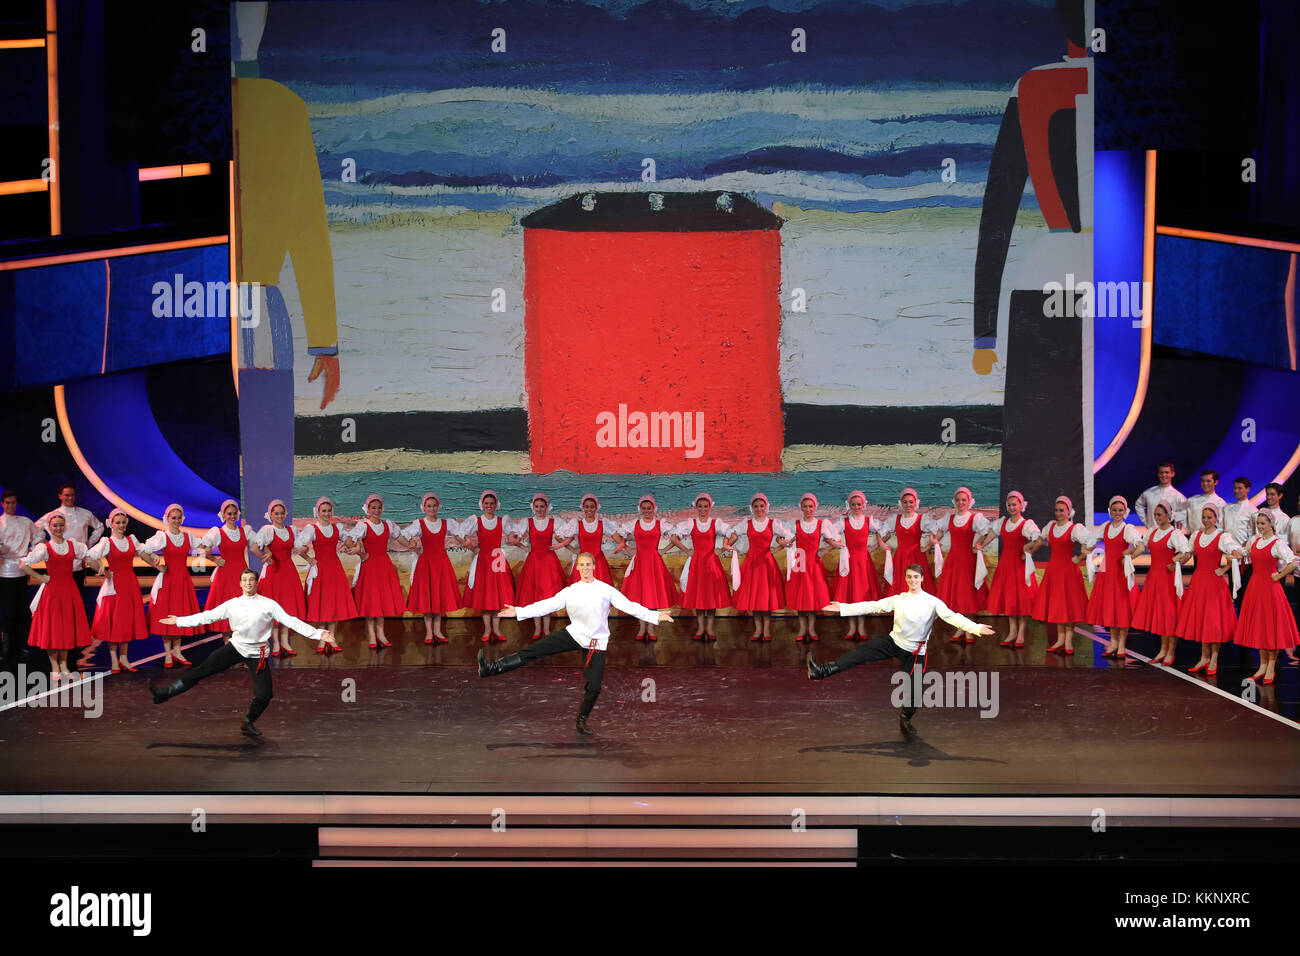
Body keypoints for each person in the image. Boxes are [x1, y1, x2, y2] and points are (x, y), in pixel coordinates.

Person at [477, 552, 672, 734]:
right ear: (577, 568)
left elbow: (629, 606)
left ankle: (581, 719)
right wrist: (518, 611)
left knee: (594, 687)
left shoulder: (605, 590)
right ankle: (492, 668)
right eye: (581, 565)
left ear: (594, 567)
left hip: (596, 642)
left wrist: (655, 615)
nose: (585, 568)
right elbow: (546, 605)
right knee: (532, 651)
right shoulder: (570, 591)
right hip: (574, 634)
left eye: (588, 564)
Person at [808, 564, 995, 735]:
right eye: (909, 577)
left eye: (915, 577)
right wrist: (844, 608)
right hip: (893, 642)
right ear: (905, 579)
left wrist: (976, 628)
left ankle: (905, 718)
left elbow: (954, 617)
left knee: (915, 693)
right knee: (859, 654)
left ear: (922, 578)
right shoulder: (899, 599)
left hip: (914, 652)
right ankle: (821, 672)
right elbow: (873, 605)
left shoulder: (933, 602)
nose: (912, 580)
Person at [150, 569, 339, 737]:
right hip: (236, 647)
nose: (248, 583)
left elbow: (291, 621)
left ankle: (248, 722)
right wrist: (179, 621)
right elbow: (207, 616)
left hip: (259, 654)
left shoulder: (268, 604)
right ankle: (165, 693)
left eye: (251, 580)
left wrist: (318, 633)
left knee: (265, 695)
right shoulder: (233, 604)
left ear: (256, 583)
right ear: (240, 583)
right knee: (199, 672)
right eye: (245, 580)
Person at [19, 514, 104, 680]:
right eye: (55, 526)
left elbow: (88, 557)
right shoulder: (45, 548)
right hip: (52, 592)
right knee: (53, 629)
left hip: (69, 590)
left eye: (60, 525)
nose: (58, 528)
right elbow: (24, 564)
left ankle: (64, 665)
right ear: (50, 528)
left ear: (64, 526)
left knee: (66, 629)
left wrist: (100, 566)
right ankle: (54, 667)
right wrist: (40, 577)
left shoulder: (72, 545)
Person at [86, 508, 159, 673]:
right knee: (114, 622)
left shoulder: (132, 540)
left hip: (130, 585)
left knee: (125, 622)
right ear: (111, 524)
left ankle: (124, 659)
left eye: (123, 522)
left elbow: (144, 553)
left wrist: (156, 564)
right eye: (117, 522)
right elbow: (89, 556)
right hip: (114, 585)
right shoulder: (107, 542)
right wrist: (103, 571)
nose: (121, 525)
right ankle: (114, 660)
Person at [1174, 502, 1239, 675]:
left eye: (1209, 517)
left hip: (1214, 583)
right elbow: (1189, 553)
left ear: (1216, 518)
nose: (1206, 520)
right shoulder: (1197, 534)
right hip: (1199, 582)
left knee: (1213, 622)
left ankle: (1214, 659)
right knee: (1203, 620)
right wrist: (1180, 560)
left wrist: (1224, 569)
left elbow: (1234, 555)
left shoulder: (1222, 537)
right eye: (1203, 517)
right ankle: (1204, 657)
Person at [1028, 495, 1093, 654]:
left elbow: (1090, 542)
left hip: (1069, 572)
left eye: (1062, 510)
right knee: (1058, 606)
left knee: (1068, 606)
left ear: (1068, 511)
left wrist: (1080, 557)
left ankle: (1068, 642)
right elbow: (1040, 540)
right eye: (1056, 510)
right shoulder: (1050, 527)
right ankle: (1060, 640)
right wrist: (1029, 551)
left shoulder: (1074, 528)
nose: (1058, 513)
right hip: (1054, 571)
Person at [1130, 501, 1192, 667]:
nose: (1156, 518)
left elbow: (1186, 553)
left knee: (1170, 615)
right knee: (1161, 614)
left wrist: (1177, 561)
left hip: (1168, 578)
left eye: (1159, 515)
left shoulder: (1175, 534)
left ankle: (1170, 650)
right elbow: (1141, 546)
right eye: (1155, 515)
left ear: (1168, 516)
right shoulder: (1152, 532)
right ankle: (1163, 649)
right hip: (1154, 577)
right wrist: (1130, 556)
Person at [142, 504, 204, 668]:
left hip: (183, 580)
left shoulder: (188, 536)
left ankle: (177, 651)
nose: (176, 521)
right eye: (173, 518)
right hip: (168, 580)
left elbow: (204, 547)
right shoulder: (163, 537)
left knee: (180, 614)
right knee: (167, 614)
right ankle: (168, 653)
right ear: (167, 519)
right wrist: (156, 564)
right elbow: (143, 550)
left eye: (178, 518)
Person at [342, 493, 406, 649]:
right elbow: (349, 541)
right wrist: (361, 553)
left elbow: (400, 537)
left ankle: (381, 634)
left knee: (381, 601)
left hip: (384, 565)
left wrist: (411, 545)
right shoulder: (364, 525)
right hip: (370, 566)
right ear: (368, 509)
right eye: (373, 508)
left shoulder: (387, 525)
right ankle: (371, 635)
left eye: (379, 508)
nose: (376, 511)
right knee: (371, 602)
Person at [977, 490, 1040, 648]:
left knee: (1022, 600)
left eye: (1015, 504)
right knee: (1010, 600)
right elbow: (991, 534)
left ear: (1021, 505)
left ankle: (1021, 633)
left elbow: (1038, 539)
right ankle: (1012, 631)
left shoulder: (1026, 524)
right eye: (1010, 505)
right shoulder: (1002, 523)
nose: (1012, 507)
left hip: (1019, 565)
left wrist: (1029, 549)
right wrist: (981, 545)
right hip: (1006, 565)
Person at [296, 496, 359, 652]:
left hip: (334, 569)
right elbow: (299, 545)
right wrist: (309, 559)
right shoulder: (313, 528)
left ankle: (332, 639)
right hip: (321, 569)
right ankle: (322, 640)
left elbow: (349, 540)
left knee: (332, 605)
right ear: (318, 512)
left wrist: (353, 548)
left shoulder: (336, 528)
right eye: (323, 511)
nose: (326, 513)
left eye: (329, 510)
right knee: (322, 605)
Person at [615, 494, 680, 641]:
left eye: (649, 508)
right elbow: (619, 534)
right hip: (640, 563)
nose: (646, 511)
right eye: (644, 508)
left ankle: (650, 628)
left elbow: (675, 535)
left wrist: (664, 550)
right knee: (640, 597)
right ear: (640, 509)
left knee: (653, 597)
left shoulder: (660, 523)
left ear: (654, 508)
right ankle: (642, 627)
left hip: (654, 564)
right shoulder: (634, 524)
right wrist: (627, 547)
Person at [1084, 496, 1142, 659]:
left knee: (1122, 609)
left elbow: (1140, 545)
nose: (1117, 513)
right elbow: (1091, 541)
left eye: (1120, 510)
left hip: (1121, 573)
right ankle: (1113, 642)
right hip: (1107, 572)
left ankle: (1122, 644)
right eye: (1114, 510)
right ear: (1110, 511)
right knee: (1111, 608)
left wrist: (1130, 556)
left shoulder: (1128, 528)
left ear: (1125, 511)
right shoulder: (1105, 527)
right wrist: (1086, 548)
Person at [669, 492, 733, 641]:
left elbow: (732, 534)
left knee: (710, 597)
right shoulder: (691, 523)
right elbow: (674, 536)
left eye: (705, 506)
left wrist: (722, 549)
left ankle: (710, 629)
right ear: (696, 507)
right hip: (697, 563)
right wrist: (687, 551)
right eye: (700, 506)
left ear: (710, 507)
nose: (703, 509)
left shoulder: (716, 523)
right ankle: (700, 628)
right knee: (699, 597)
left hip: (711, 564)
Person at [399, 493, 461, 644]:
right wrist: (411, 546)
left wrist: (468, 543)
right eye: (429, 506)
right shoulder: (420, 524)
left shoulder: (446, 523)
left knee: (438, 598)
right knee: (428, 599)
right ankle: (428, 632)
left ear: (438, 507)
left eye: (434, 506)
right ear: (424, 508)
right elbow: (403, 535)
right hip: (426, 564)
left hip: (440, 563)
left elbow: (460, 534)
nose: (432, 508)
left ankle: (438, 631)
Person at [248, 499, 307, 656]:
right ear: (271, 515)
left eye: (282, 513)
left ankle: (285, 642)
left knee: (287, 607)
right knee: (274, 608)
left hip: (288, 571)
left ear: (285, 514)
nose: (279, 516)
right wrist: (264, 556)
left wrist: (304, 550)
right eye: (276, 513)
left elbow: (302, 545)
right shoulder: (268, 530)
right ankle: (275, 644)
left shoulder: (292, 530)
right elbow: (254, 547)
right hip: (274, 572)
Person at [780, 493, 841, 642]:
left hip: (814, 563)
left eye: (810, 506)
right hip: (800, 561)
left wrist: (829, 549)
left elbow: (832, 539)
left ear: (815, 507)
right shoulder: (795, 524)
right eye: (805, 506)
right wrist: (782, 542)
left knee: (813, 597)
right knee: (801, 597)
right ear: (801, 507)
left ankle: (812, 629)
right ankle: (802, 629)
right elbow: (783, 537)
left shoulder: (821, 524)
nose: (808, 509)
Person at [727, 493, 787, 642]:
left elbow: (788, 537)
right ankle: (758, 629)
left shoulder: (773, 523)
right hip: (752, 564)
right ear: (752, 508)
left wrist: (778, 546)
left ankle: (766, 630)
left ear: (766, 507)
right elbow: (732, 534)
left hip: (767, 564)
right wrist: (727, 545)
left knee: (765, 599)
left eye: (761, 506)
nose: (759, 509)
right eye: (756, 506)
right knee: (755, 598)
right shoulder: (746, 524)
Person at [827, 491, 886, 641]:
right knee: (850, 596)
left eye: (859, 504)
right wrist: (839, 545)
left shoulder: (868, 521)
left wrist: (875, 546)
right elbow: (830, 534)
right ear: (849, 505)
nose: (856, 507)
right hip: (849, 561)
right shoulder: (844, 521)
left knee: (862, 596)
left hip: (863, 562)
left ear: (863, 505)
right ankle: (852, 628)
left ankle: (861, 627)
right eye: (853, 504)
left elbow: (884, 531)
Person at [459, 490, 517, 643]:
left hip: (497, 559)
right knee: (486, 596)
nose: (489, 506)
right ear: (482, 505)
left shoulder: (501, 521)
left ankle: (497, 629)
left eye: (492, 503)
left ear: (496, 505)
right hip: (484, 560)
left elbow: (512, 534)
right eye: (486, 503)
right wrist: (473, 547)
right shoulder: (476, 520)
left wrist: (516, 538)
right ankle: (487, 630)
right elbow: (463, 534)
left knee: (497, 596)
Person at [933, 487, 990, 641]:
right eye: (958, 500)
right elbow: (939, 532)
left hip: (967, 560)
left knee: (967, 596)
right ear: (954, 501)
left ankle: (969, 628)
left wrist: (978, 543)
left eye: (964, 500)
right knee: (957, 596)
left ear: (969, 501)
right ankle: (960, 628)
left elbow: (986, 532)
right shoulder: (948, 518)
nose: (961, 502)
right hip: (953, 560)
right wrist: (934, 541)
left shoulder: (974, 518)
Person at [512, 493, 568, 639]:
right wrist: (525, 547)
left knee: (547, 597)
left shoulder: (553, 522)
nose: (539, 509)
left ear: (547, 507)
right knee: (536, 597)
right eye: (536, 506)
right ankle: (537, 630)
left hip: (549, 562)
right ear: (533, 507)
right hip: (534, 562)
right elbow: (513, 538)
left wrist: (560, 543)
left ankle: (547, 630)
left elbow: (569, 535)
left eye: (541, 506)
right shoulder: (528, 522)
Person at [35, 483, 104, 591]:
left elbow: (99, 527)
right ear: (60, 496)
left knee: (77, 595)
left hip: (79, 563)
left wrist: (88, 544)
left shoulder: (85, 513)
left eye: (72, 495)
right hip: (58, 564)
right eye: (67, 495)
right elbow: (35, 530)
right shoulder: (51, 515)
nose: (70, 498)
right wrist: (46, 545)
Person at [197, 499, 249, 641]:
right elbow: (202, 549)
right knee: (228, 611)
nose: (232, 516)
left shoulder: (245, 531)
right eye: (229, 514)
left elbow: (256, 547)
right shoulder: (218, 532)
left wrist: (266, 555)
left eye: (235, 513)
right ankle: (227, 647)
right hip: (226, 576)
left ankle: (240, 647)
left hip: (242, 575)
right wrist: (215, 560)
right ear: (224, 515)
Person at [0, 489, 38, 668]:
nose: (10, 506)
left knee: (23, 611)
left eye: (13, 503)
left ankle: (23, 646)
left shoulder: (25, 522)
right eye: (7, 503)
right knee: (8, 612)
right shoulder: (0, 523)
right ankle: (8, 648)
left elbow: (39, 536)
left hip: (22, 571)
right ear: (2, 504)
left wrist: (33, 551)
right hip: (4, 572)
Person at [558, 494, 625, 586]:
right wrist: (573, 550)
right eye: (587, 507)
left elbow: (619, 539)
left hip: (599, 563)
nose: (589, 509)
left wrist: (623, 544)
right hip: (583, 562)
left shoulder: (603, 524)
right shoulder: (577, 524)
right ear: (583, 508)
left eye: (592, 507)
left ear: (596, 508)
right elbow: (558, 536)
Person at [881, 489, 937, 595]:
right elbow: (883, 533)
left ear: (916, 503)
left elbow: (936, 529)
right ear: (901, 503)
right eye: (905, 502)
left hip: (917, 557)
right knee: (900, 581)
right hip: (900, 557)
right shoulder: (895, 519)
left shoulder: (922, 519)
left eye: (911, 502)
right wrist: (880, 544)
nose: (908, 505)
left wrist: (929, 544)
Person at [1135, 461, 1187, 530]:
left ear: (1173, 474)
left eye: (1166, 472)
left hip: (1170, 536)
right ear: (1158, 474)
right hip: (1152, 534)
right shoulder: (1149, 493)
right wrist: (1146, 522)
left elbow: (1186, 513)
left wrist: (1177, 526)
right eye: (1161, 472)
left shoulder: (1178, 497)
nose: (1163, 475)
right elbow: (1138, 505)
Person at [1185, 470, 1226, 537]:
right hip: (1193, 540)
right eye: (1203, 481)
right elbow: (1186, 523)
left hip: (1211, 541)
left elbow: (1222, 527)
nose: (1205, 484)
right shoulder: (1192, 501)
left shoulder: (1221, 503)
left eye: (1208, 481)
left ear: (1215, 482)